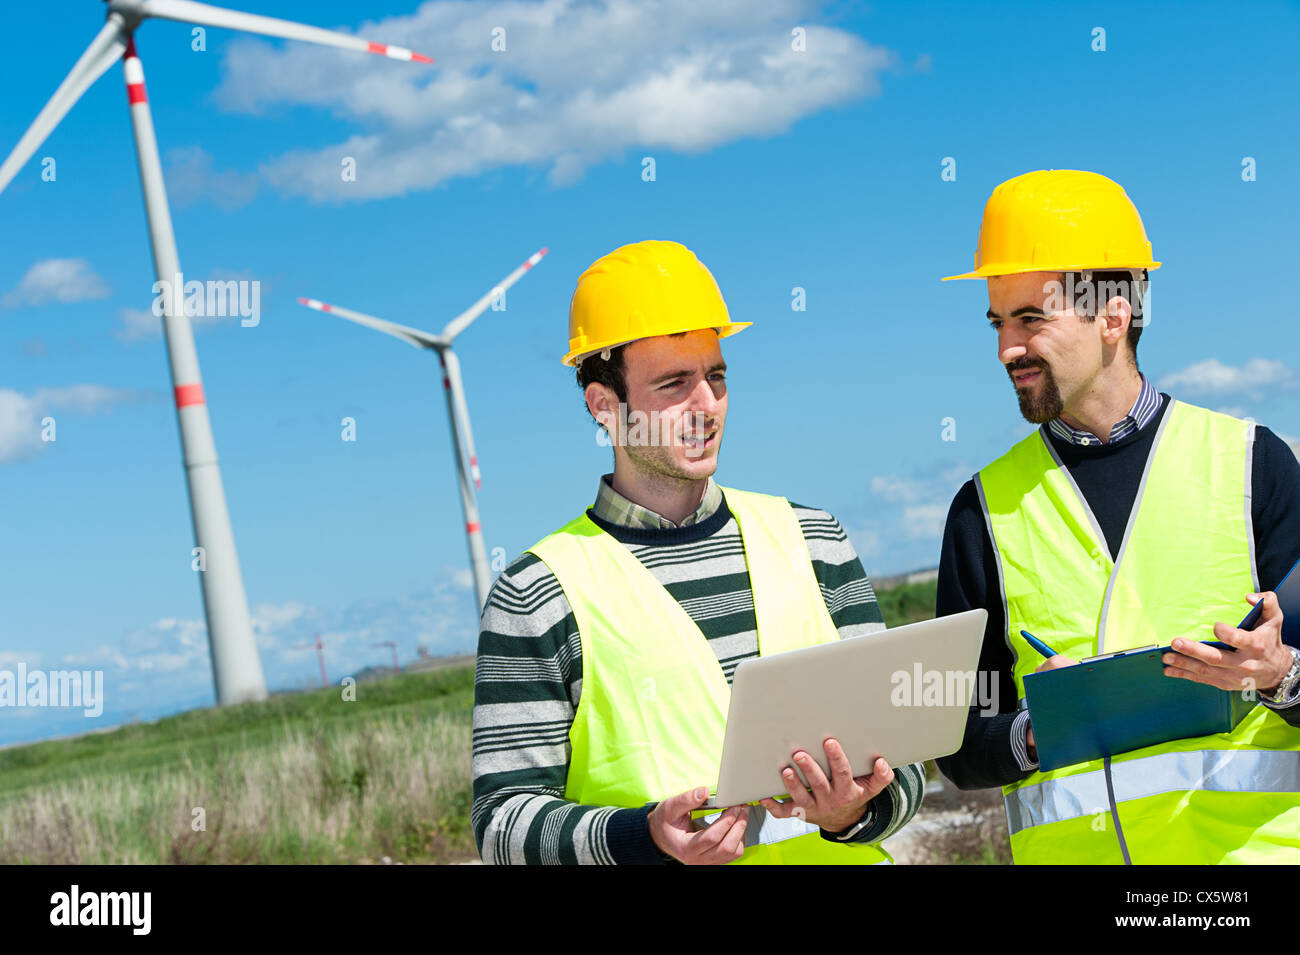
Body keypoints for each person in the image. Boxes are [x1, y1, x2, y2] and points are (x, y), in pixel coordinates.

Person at [471, 239, 925, 864]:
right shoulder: (538, 592)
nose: (707, 406)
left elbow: (906, 760)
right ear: (604, 406)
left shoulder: (814, 538)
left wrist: (855, 810)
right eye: (673, 384)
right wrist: (641, 836)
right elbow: (502, 825)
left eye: (715, 377)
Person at [935, 169, 1300, 864]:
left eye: (1030, 319)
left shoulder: (1253, 463)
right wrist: (1036, 732)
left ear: (1112, 315)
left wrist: (1278, 675)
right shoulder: (980, 511)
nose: (1007, 348)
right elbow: (955, 743)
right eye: (999, 322)